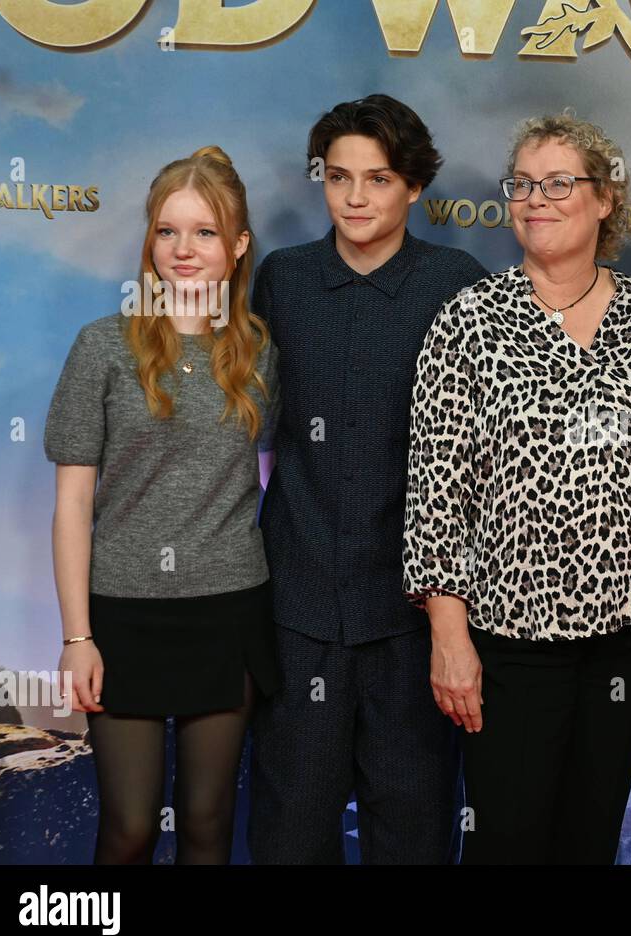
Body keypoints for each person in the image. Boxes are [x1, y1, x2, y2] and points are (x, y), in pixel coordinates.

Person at [402, 110, 631, 864]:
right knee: (506, 840)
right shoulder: (471, 320)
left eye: (558, 183)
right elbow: (436, 495)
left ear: (606, 199)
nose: (535, 199)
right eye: (522, 184)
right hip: (512, 635)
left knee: (590, 835)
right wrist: (450, 637)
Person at [246, 95, 487, 864]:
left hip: (413, 619)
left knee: (414, 835)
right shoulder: (283, 280)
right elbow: (246, 426)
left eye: (377, 179)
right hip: (298, 609)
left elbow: (490, 452)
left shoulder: (459, 284)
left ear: (413, 188)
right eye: (339, 177)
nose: (355, 197)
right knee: (289, 834)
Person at [46, 146, 279, 864]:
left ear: (238, 246)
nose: (183, 249)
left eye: (205, 232)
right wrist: (78, 636)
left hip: (229, 610)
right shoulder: (103, 348)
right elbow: (72, 502)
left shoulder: (261, 352)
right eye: (168, 230)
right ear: (150, 239)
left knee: (209, 824)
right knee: (130, 826)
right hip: (122, 615)